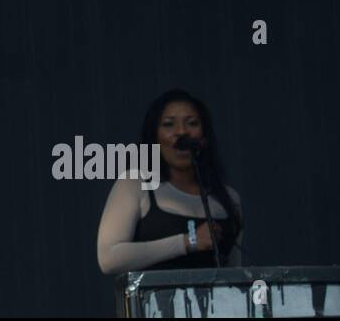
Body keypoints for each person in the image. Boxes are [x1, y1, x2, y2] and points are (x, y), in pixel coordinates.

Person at [97, 89, 244, 274]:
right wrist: (188, 241)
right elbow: (109, 258)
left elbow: (234, 273)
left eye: (192, 123)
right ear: (155, 138)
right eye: (168, 124)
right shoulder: (135, 183)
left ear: (204, 138)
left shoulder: (229, 198)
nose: (181, 132)